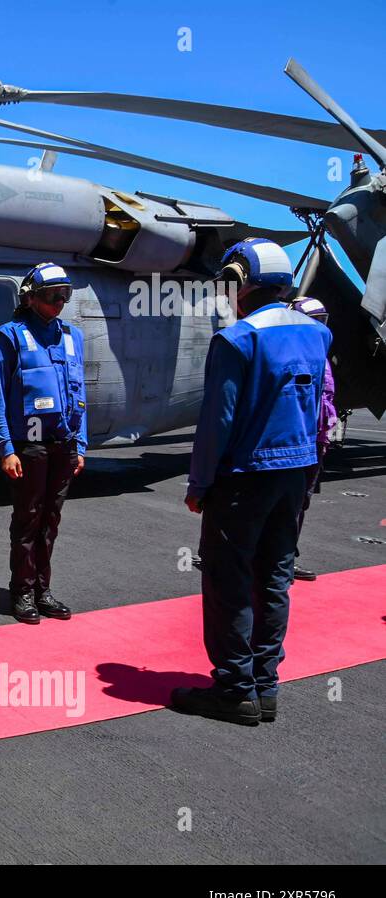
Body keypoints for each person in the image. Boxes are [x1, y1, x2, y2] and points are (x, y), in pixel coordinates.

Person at [174, 239, 331, 726]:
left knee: (229, 582)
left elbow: (216, 422)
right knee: (275, 579)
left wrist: (199, 484)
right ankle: (265, 686)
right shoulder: (316, 333)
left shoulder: (237, 339)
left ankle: (234, 690)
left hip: (244, 479)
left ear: (242, 282)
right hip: (296, 475)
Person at [0, 263, 87, 624]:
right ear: (30, 298)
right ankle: (22, 592)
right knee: (27, 520)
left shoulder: (74, 336)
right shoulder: (11, 336)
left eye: (65, 295)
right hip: (29, 442)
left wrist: (82, 445)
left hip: (64, 442)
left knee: (51, 520)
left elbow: (80, 393)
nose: (59, 302)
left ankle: (43, 590)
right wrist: (6, 448)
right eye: (51, 296)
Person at [287, 296, 338, 582]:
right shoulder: (294, 356)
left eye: (322, 321)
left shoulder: (322, 357)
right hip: (296, 442)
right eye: (313, 321)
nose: (319, 327)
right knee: (286, 501)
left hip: (317, 442)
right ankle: (275, 560)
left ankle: (286, 557)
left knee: (300, 502)